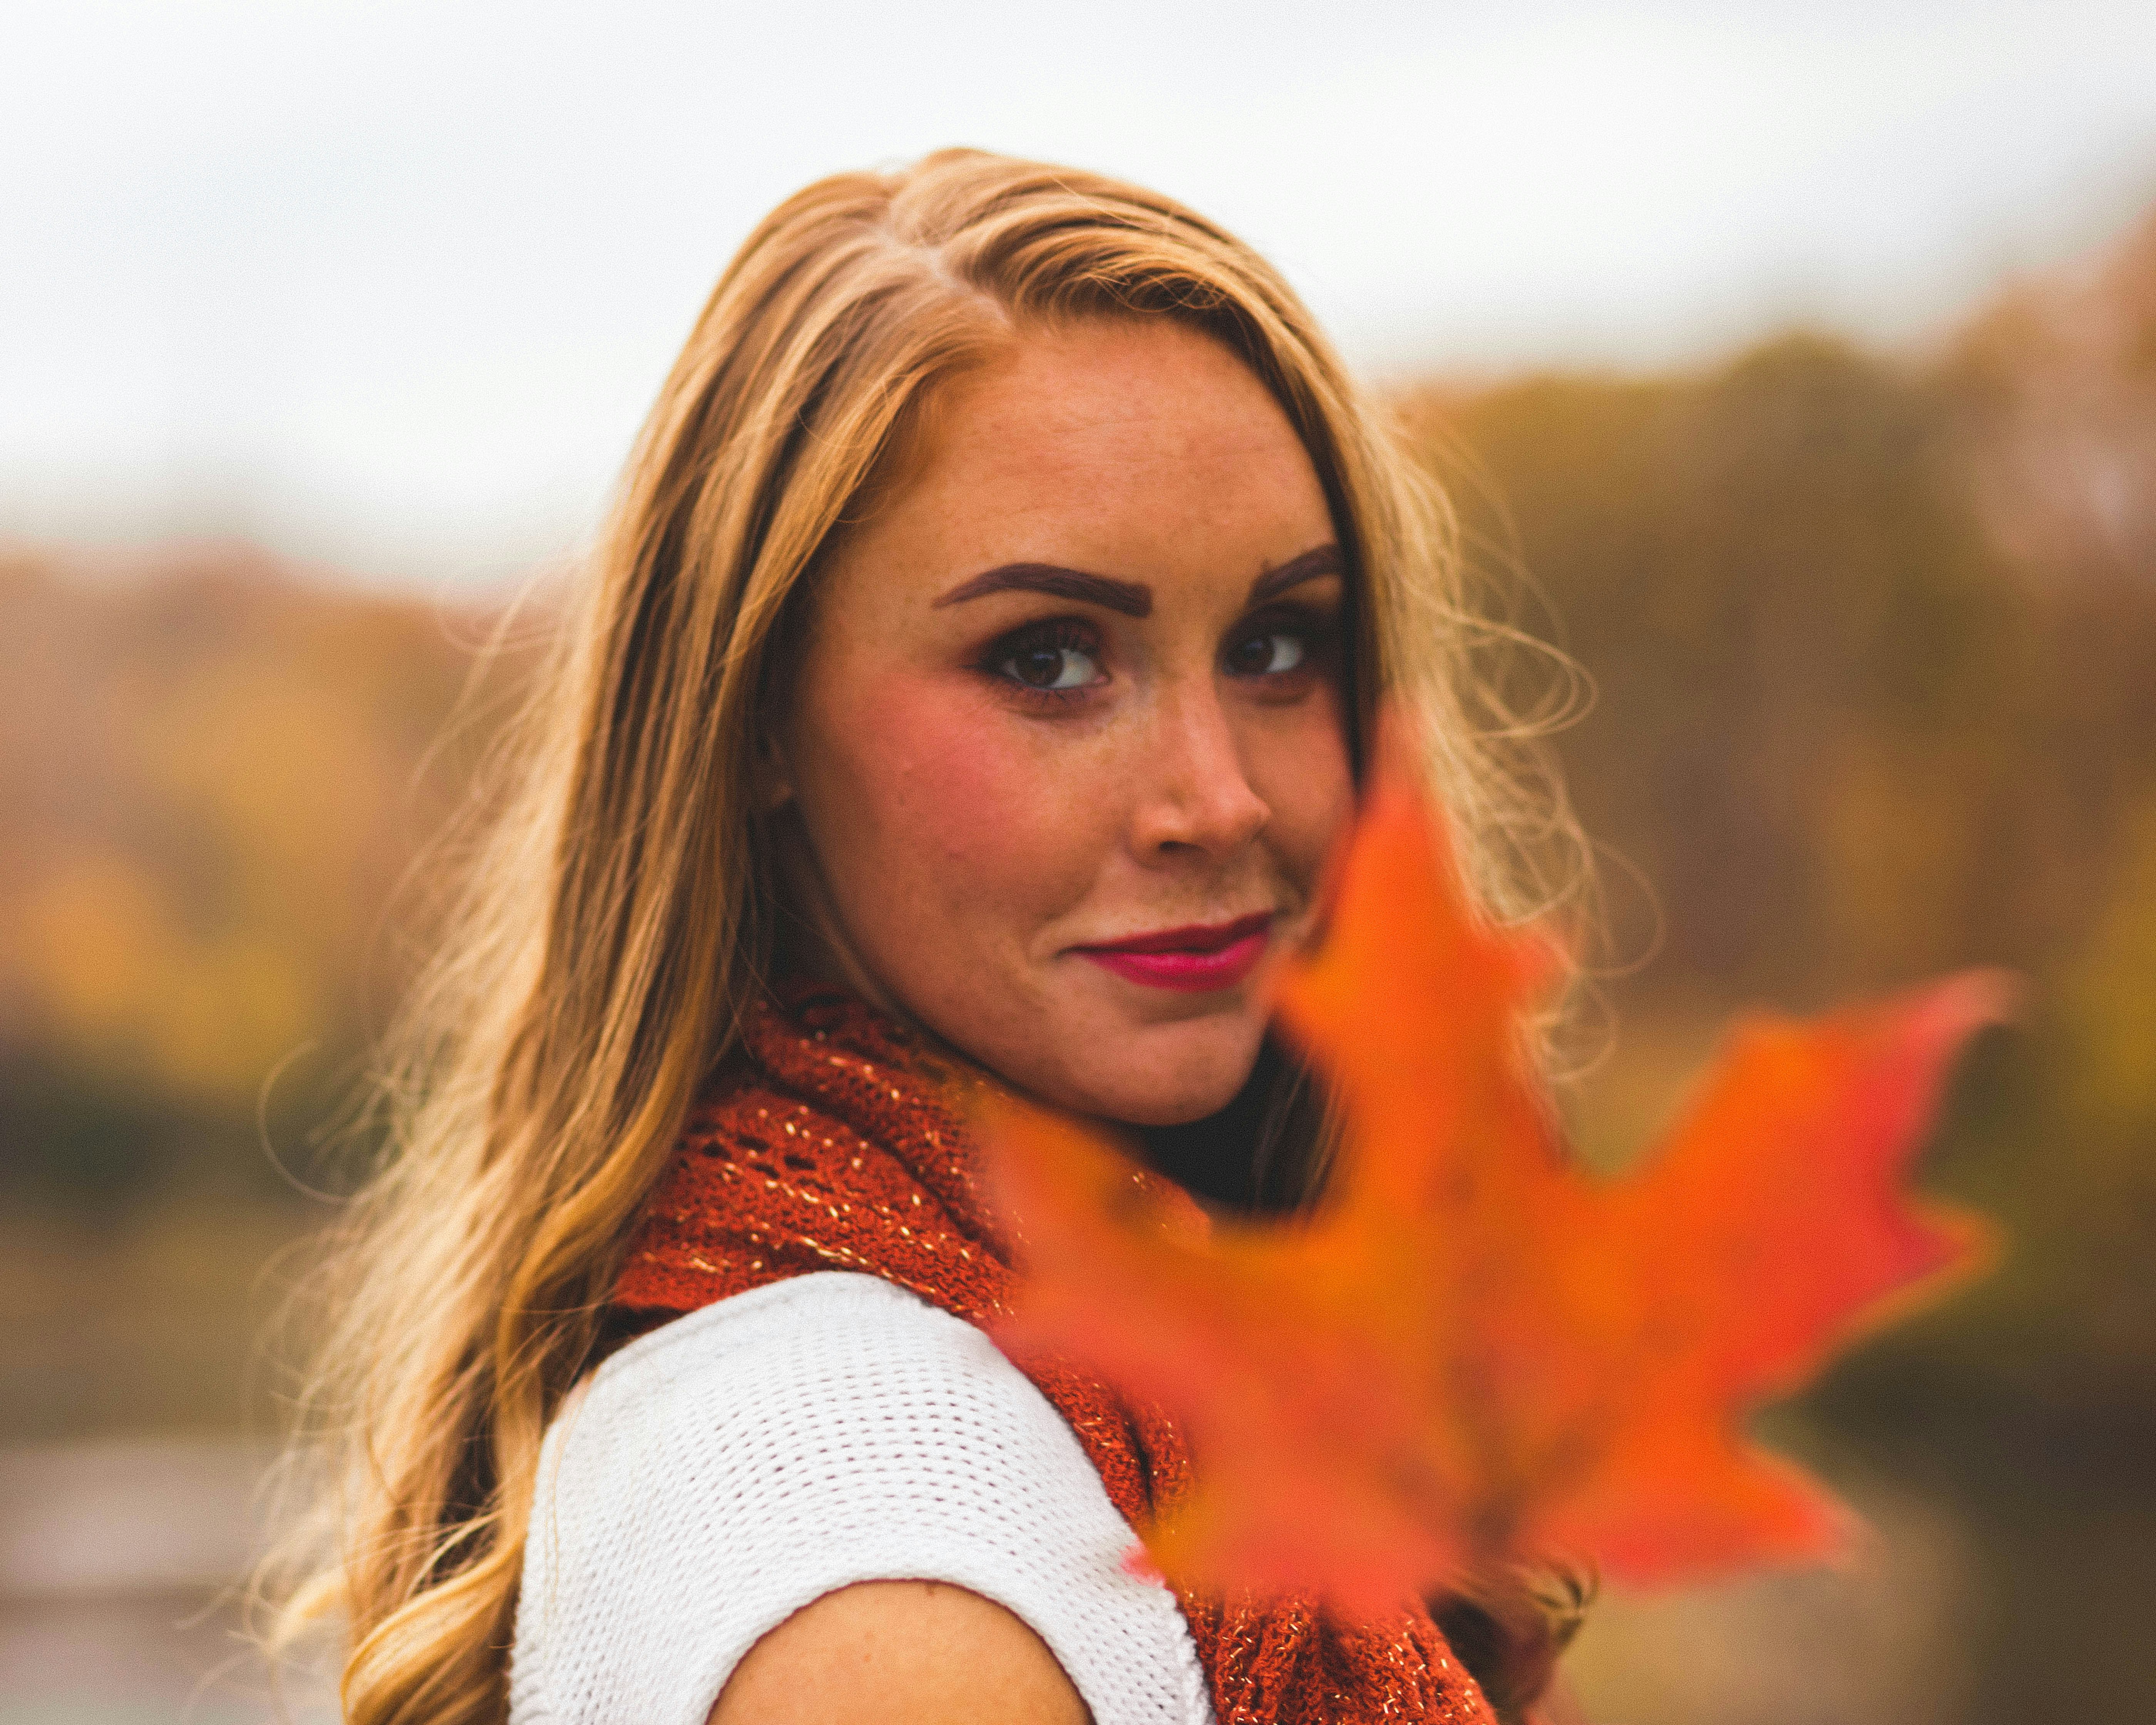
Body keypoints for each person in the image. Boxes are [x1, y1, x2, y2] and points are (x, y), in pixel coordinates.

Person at [271, 149, 1589, 1725]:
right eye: (1047, 658)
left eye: (1275, 642)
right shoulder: (878, 1576)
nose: (1219, 798)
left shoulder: (1148, 1381)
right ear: (752, 716)